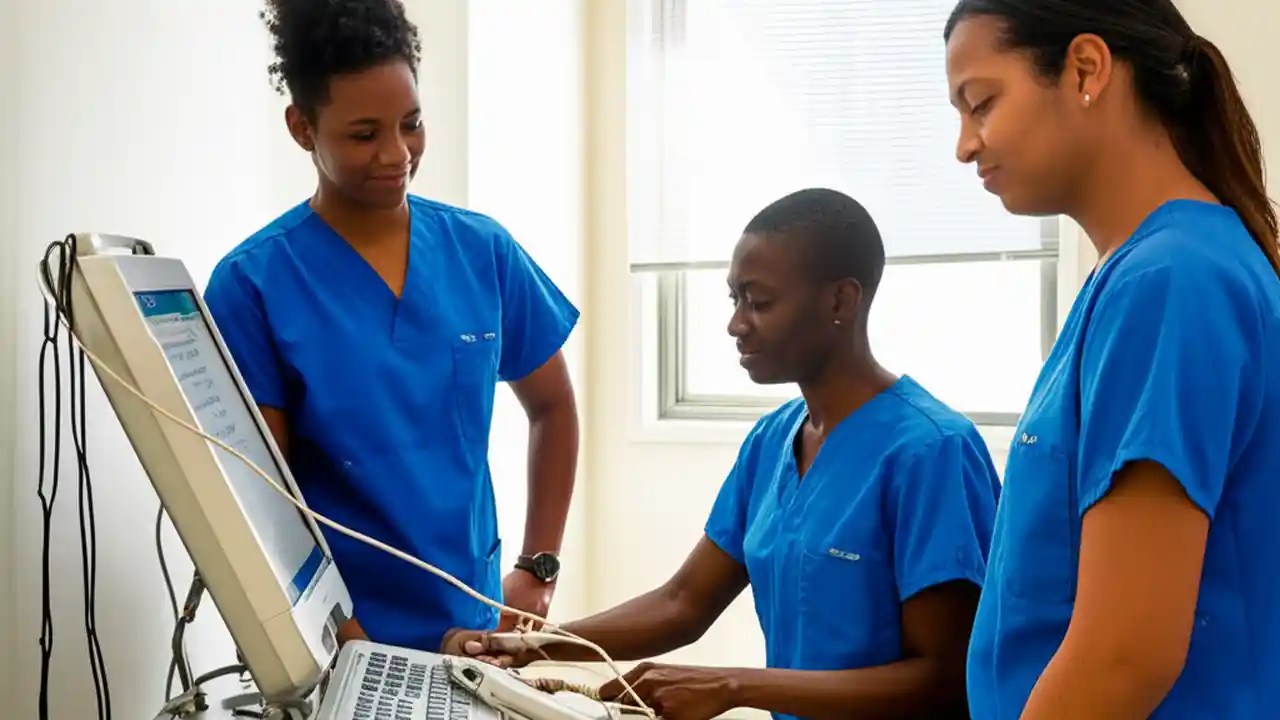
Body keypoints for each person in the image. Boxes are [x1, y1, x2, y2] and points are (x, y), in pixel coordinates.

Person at [444, 188, 1003, 720]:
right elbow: (682, 603)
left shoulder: (932, 452)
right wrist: (528, 647)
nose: (736, 324)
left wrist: (731, 686)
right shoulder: (773, 440)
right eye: (734, 299)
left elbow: (945, 677)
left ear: (841, 299)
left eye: (759, 302)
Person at [203, 0, 581, 653]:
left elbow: (553, 407)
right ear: (301, 127)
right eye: (363, 133)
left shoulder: (482, 251)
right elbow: (264, 498)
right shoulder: (253, 284)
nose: (397, 154)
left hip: (475, 621)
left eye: (411, 124)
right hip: (339, 634)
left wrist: (538, 567)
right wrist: (341, 640)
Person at [944, 2, 1280, 718]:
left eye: (981, 104)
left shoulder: (1173, 280)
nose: (964, 146)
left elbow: (1126, 655)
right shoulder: (1137, 274)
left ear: (1086, 70)